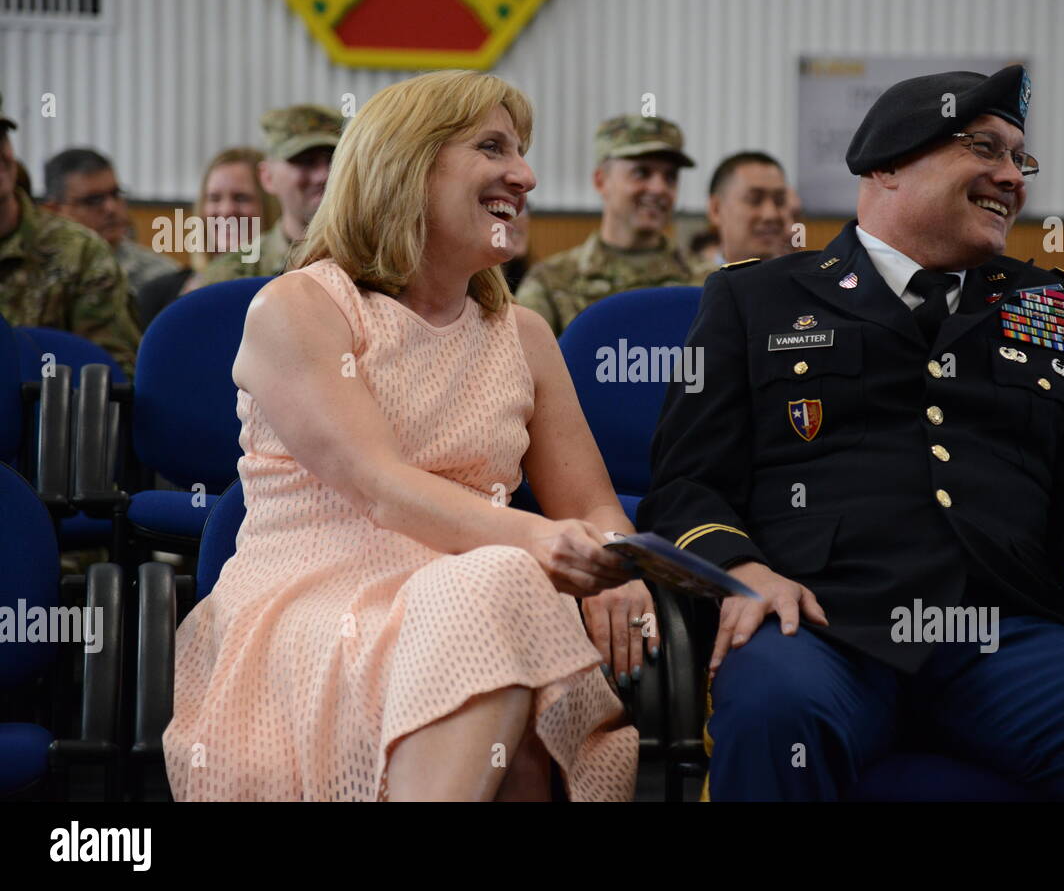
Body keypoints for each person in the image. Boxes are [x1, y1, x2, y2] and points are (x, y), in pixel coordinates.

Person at [638, 65, 1064, 801]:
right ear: (889, 164)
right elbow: (684, 485)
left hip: (1003, 637)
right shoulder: (754, 298)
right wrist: (747, 571)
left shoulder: (1057, 309)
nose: (1012, 177)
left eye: (1019, 160)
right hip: (826, 625)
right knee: (776, 716)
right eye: (985, 149)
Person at [163, 70, 655, 802]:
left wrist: (621, 565)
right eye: (493, 147)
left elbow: (593, 501)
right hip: (319, 600)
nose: (524, 174)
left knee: (501, 594)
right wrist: (535, 541)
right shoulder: (297, 306)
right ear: (405, 165)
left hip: (482, 598)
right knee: (508, 589)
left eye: (521, 152)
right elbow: (380, 486)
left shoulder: (524, 334)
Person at [515, 114, 712, 336]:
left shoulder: (706, 282)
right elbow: (526, 366)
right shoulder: (552, 282)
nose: (659, 188)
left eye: (670, 177)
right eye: (641, 172)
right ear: (601, 181)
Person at [0, 91, 141, 376]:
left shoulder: (81, 253)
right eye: (93, 200)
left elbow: (114, 382)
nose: (111, 209)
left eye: (0, 137)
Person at [194, 104, 341, 287]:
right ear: (268, 177)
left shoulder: (370, 266)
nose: (323, 176)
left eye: (333, 160)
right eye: (306, 162)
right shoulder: (231, 277)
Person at [136, 147, 277, 327]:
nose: (226, 211)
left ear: (269, 206)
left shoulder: (287, 288)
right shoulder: (156, 294)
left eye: (241, 198)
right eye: (214, 198)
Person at [42, 147, 180, 297]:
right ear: (55, 211)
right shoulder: (33, 276)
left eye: (115, 194)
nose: (111, 208)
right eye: (93, 200)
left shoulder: (162, 277)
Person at [706, 151, 792, 265]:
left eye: (779, 201)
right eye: (754, 200)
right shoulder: (688, 281)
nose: (771, 214)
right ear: (716, 209)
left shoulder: (807, 280)